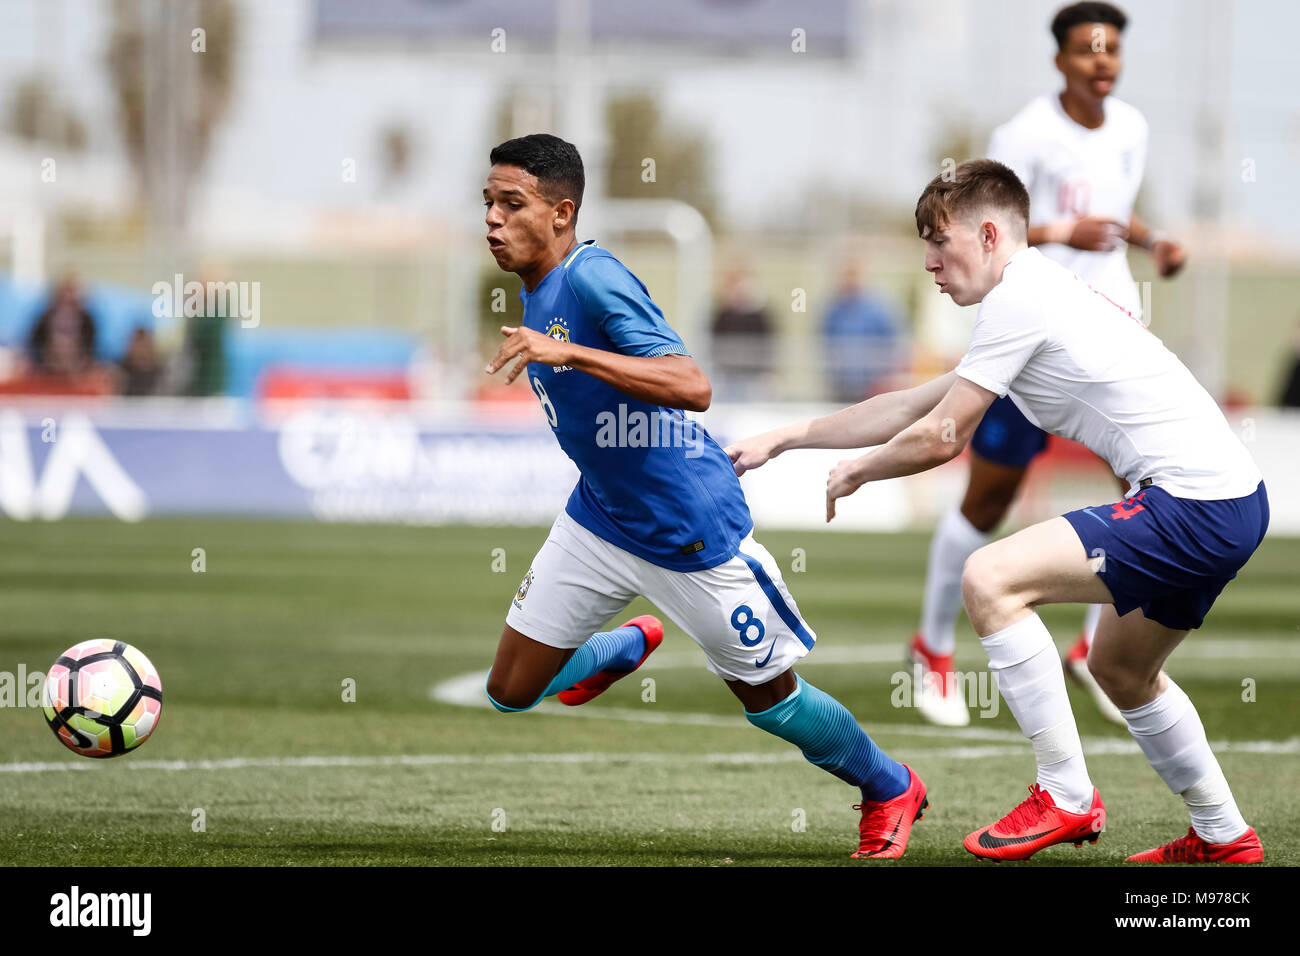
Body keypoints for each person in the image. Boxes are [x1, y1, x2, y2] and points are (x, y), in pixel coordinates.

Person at [726, 159, 1267, 864]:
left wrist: (861, 469)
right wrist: (789, 436)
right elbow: (911, 404)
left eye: (938, 242)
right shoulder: (1028, 294)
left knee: (990, 579)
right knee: (1122, 671)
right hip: (1230, 500)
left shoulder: (1020, 296)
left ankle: (1066, 796)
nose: (929, 263)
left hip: (1193, 502)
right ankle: (1224, 836)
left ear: (986, 234)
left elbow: (943, 435)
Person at [479, 133, 928, 859]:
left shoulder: (593, 276)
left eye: (512, 203)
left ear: (562, 213)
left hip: (688, 530)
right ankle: (624, 646)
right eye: (489, 203)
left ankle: (889, 786)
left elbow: (692, 384)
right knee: (509, 687)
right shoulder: (536, 290)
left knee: (772, 703)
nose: (493, 219)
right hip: (599, 517)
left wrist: (570, 351)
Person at [907, 1, 1188, 728]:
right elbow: (989, 227)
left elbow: (1113, 214)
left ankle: (1096, 647)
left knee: (1147, 488)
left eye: (1113, 51)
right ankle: (932, 648)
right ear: (1061, 59)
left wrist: (1154, 240)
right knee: (989, 498)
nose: (1104, 63)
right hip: (1030, 333)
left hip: (1112, 329)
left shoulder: (1132, 128)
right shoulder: (1023, 134)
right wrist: (1065, 230)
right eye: (1090, 50)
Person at [821, 263, 904, 403]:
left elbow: (891, 344)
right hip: (841, 382)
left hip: (871, 383)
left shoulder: (878, 309)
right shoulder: (833, 309)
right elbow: (826, 341)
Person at [710, 268, 774, 400]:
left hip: (754, 374)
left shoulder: (760, 315)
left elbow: (767, 341)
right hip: (728, 374)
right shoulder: (723, 314)